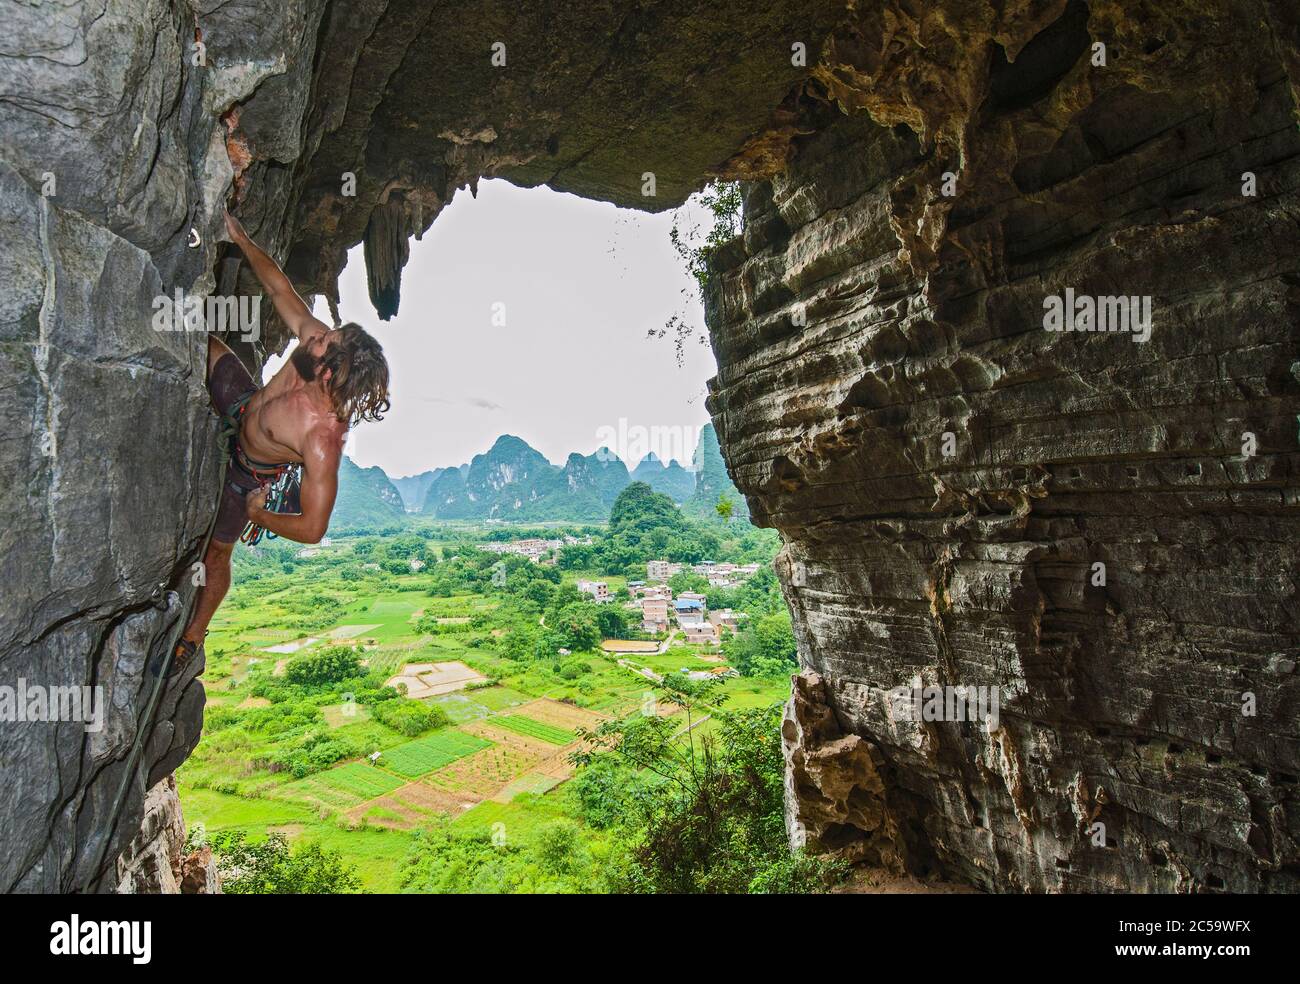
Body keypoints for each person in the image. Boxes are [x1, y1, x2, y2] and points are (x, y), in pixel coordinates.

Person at [172, 211, 391, 673]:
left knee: (216, 553)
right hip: (244, 407)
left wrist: (259, 514)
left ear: (330, 371)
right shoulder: (315, 346)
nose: (317, 332)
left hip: (248, 471)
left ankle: (193, 635)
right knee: (201, 343)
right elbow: (278, 289)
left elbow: (313, 529)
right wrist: (242, 236)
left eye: (327, 340)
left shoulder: (322, 441)